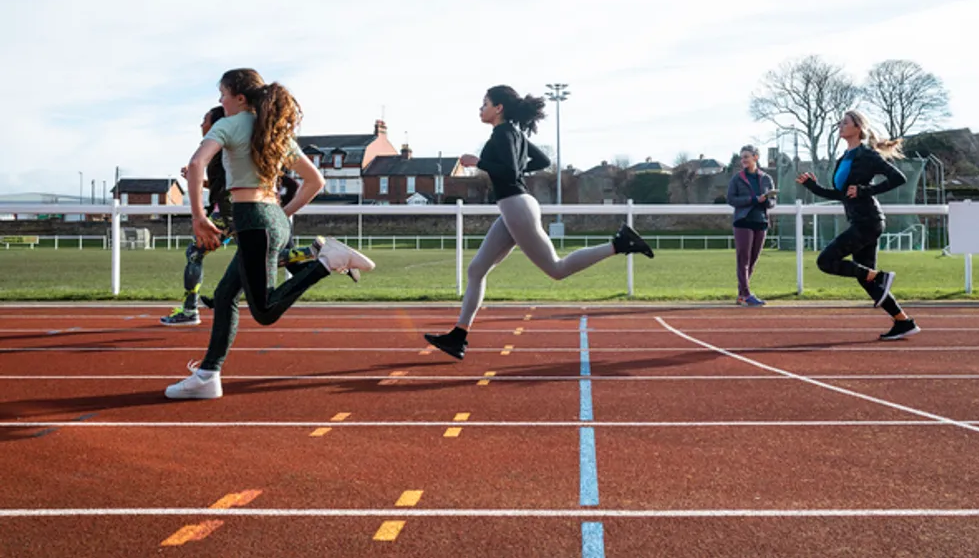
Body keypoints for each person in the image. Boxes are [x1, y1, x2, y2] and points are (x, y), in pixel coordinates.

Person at [165, 69, 375, 400]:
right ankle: (208, 375)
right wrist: (281, 214)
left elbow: (195, 165)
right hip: (270, 218)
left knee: (263, 311)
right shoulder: (274, 133)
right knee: (224, 297)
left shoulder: (229, 124)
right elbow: (316, 181)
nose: (220, 101)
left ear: (239, 97)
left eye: (222, 94)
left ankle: (326, 261)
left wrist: (198, 217)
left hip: (255, 221)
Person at [424, 85, 654, 360]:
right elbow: (542, 160)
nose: (480, 108)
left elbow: (508, 170)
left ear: (498, 108)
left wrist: (479, 161)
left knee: (557, 269)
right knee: (476, 270)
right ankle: (458, 336)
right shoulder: (513, 134)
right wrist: (512, 167)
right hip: (514, 207)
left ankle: (620, 244)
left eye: (484, 103)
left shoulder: (502, 133)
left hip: (517, 206)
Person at [160, 107, 329, 327]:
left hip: (234, 211)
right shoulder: (233, 145)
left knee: (196, 252)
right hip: (255, 210)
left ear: (217, 123)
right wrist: (201, 182)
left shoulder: (222, 144)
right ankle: (312, 254)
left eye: (204, 120)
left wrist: (198, 189)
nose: (201, 125)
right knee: (253, 259)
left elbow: (233, 180)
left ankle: (191, 309)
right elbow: (228, 181)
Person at [796, 109, 919, 340]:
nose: (840, 126)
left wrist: (866, 189)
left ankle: (880, 277)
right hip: (860, 221)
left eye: (845, 123)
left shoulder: (868, 155)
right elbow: (842, 194)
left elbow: (898, 178)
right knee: (866, 278)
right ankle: (903, 321)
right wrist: (813, 187)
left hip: (868, 221)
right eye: (840, 123)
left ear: (858, 128)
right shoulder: (844, 158)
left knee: (825, 261)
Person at [726, 144, 776, 306]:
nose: (743, 160)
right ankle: (746, 294)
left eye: (746, 157)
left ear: (756, 157)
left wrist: (767, 200)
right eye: (742, 158)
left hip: (761, 221)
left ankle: (742, 294)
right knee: (743, 259)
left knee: (753, 260)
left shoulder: (767, 178)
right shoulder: (737, 178)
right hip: (743, 221)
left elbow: (772, 202)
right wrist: (753, 200)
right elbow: (731, 199)